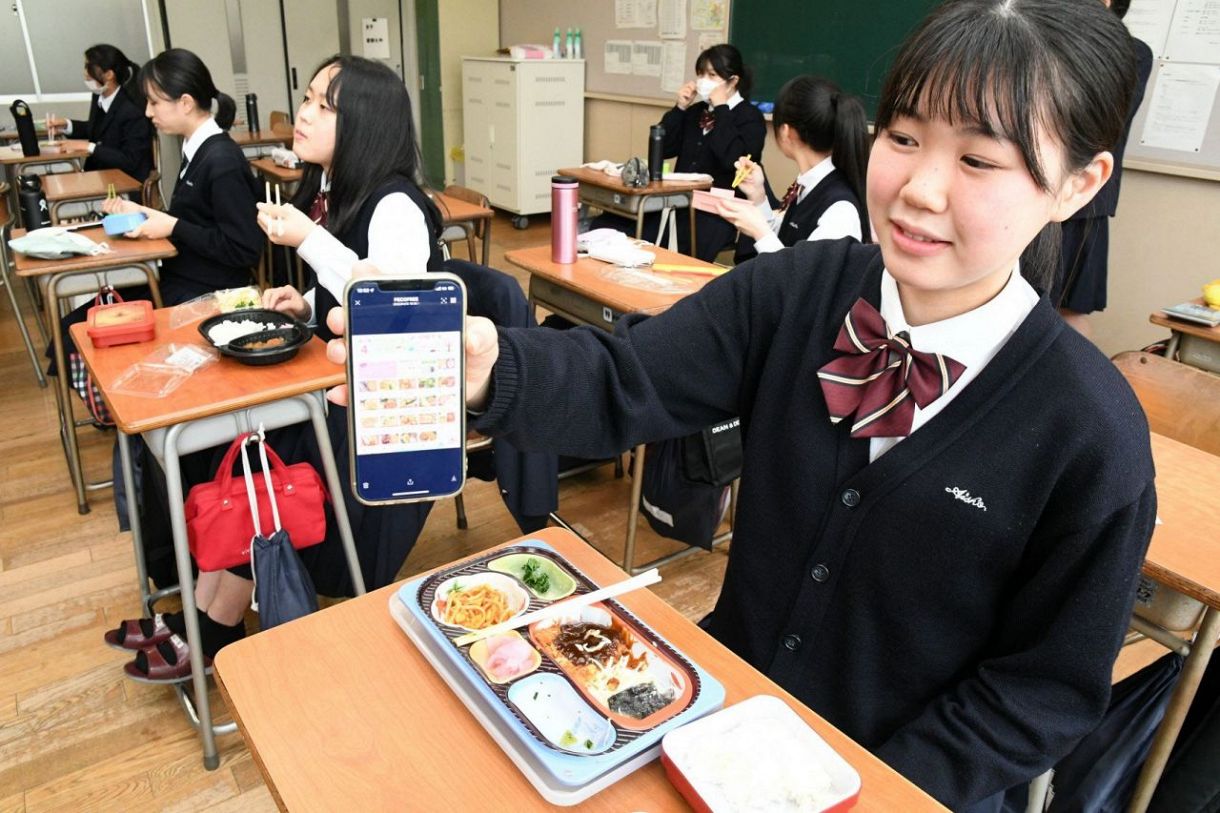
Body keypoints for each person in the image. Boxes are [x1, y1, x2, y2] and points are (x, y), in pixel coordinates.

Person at [325, 0, 1157, 808]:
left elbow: (1038, 692)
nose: (919, 189)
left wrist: (868, 791)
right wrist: (489, 370)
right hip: (717, 725)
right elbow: (628, 379)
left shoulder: (1090, 432)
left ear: (1079, 183)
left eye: (979, 160)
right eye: (904, 138)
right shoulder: (798, 291)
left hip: (908, 785)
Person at [104, 56, 444, 683]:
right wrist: (306, 301)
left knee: (263, 458)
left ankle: (216, 627)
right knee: (234, 445)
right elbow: (345, 289)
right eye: (308, 97)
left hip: (392, 415)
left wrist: (308, 242)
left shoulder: (397, 204)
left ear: (363, 122)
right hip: (341, 383)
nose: (305, 112)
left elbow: (397, 306)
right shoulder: (338, 190)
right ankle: (203, 613)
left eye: (323, 104)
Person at [591, 44, 766, 261]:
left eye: (712, 75)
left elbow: (732, 160)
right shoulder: (696, 112)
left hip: (717, 210)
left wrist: (722, 109)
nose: (703, 80)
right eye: (700, 74)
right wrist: (680, 108)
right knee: (609, 224)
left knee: (682, 243)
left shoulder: (750, 117)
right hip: (677, 201)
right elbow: (663, 149)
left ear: (733, 82)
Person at [1051, 0, 1154, 338]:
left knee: (1067, 311)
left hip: (1082, 202)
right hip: (1030, 188)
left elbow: (1100, 122)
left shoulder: (1133, 53)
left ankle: (1077, 386)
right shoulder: (1039, 36)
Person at [716, 75, 870, 262]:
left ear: (786, 131)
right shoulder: (809, 182)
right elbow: (784, 242)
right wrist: (758, 197)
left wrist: (758, 229)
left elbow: (802, 281)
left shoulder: (840, 210)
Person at [50, 44, 155, 183]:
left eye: (89, 67)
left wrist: (89, 147)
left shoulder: (132, 110)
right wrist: (66, 124)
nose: (85, 73)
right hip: (101, 176)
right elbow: (99, 130)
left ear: (109, 74)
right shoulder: (99, 97)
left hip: (126, 182)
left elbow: (130, 161)